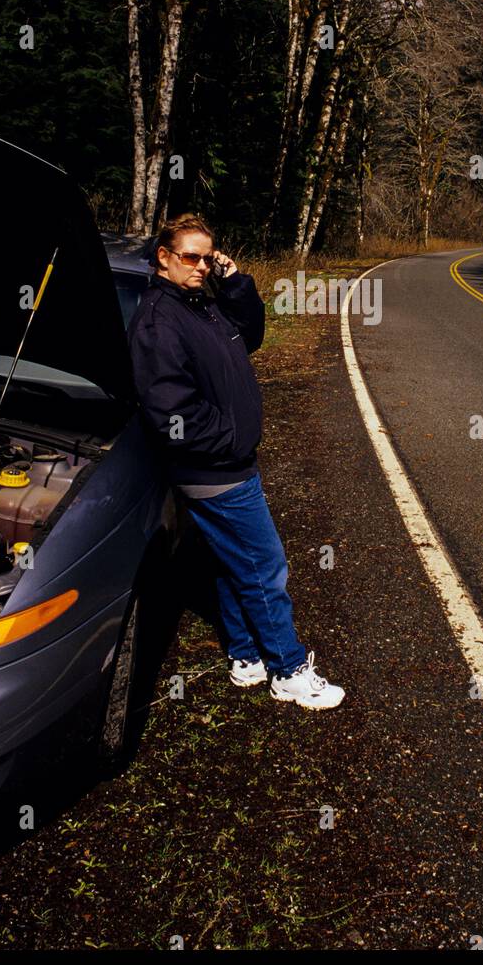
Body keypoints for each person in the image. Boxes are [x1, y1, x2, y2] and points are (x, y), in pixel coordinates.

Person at [127, 212, 344, 710]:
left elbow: (251, 333)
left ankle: (246, 657)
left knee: (232, 562)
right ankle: (288, 670)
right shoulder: (160, 321)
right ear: (164, 257)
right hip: (215, 470)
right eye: (190, 257)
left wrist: (235, 279)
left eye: (207, 257)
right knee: (265, 566)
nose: (200, 265)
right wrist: (230, 438)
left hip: (225, 462)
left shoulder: (200, 304)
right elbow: (170, 414)